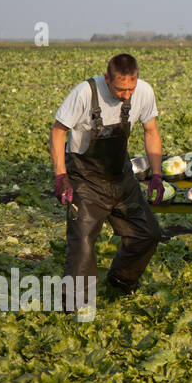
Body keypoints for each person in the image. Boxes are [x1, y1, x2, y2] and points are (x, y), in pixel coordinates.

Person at [49, 53, 164, 303]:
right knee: (83, 241)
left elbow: (151, 131)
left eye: (130, 89)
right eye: (120, 89)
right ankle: (74, 304)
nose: (126, 95)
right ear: (106, 79)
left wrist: (157, 175)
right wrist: (61, 176)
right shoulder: (85, 93)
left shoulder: (143, 92)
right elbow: (59, 132)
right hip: (84, 178)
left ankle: (121, 279)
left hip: (119, 176)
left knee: (148, 232)